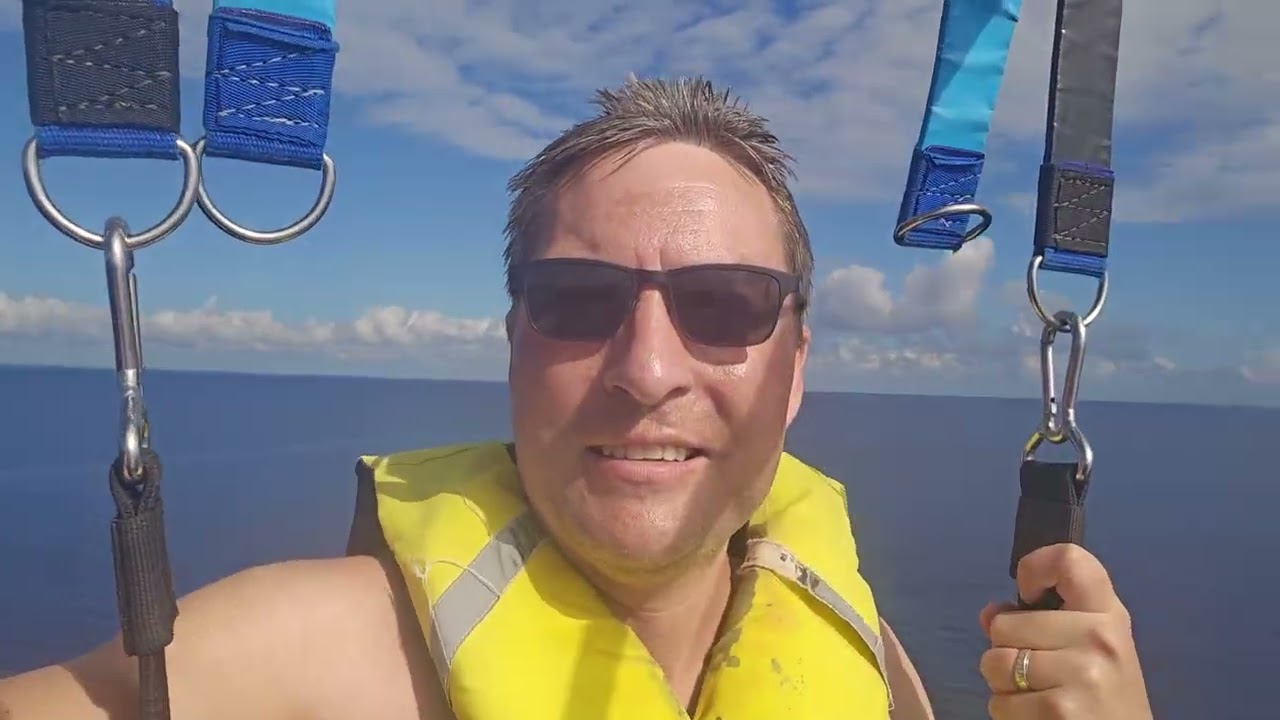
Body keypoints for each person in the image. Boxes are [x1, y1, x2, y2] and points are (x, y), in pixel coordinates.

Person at [0, 76, 1153, 720]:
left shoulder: (878, 668)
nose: (647, 368)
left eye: (723, 304)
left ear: (794, 367)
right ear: (513, 345)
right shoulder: (301, 660)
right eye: (576, 299)